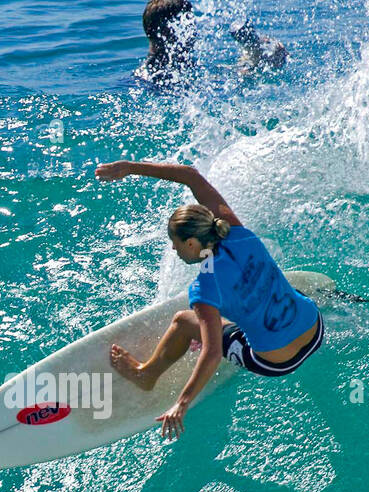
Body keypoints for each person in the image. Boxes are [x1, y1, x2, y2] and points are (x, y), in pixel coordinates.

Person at [93, 160, 323, 439]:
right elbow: (191, 177)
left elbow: (212, 354)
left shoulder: (204, 289)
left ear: (191, 244)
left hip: (277, 362)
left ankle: (146, 375)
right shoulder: (238, 233)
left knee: (183, 321)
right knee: (264, 288)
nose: (173, 249)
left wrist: (182, 402)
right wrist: (130, 167)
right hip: (315, 328)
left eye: (175, 243)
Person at [138, 0, 196, 84]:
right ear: (162, 32)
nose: (193, 32)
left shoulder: (184, 64)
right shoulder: (149, 77)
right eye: (185, 25)